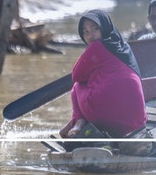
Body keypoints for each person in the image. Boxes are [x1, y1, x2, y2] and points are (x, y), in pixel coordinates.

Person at [59, 10, 146, 139]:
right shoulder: (123, 46)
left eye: (95, 29)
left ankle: (79, 121)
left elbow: (76, 75)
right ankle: (78, 121)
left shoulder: (97, 47)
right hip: (136, 122)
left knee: (78, 85)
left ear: (104, 28)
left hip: (104, 117)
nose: (90, 35)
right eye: (86, 32)